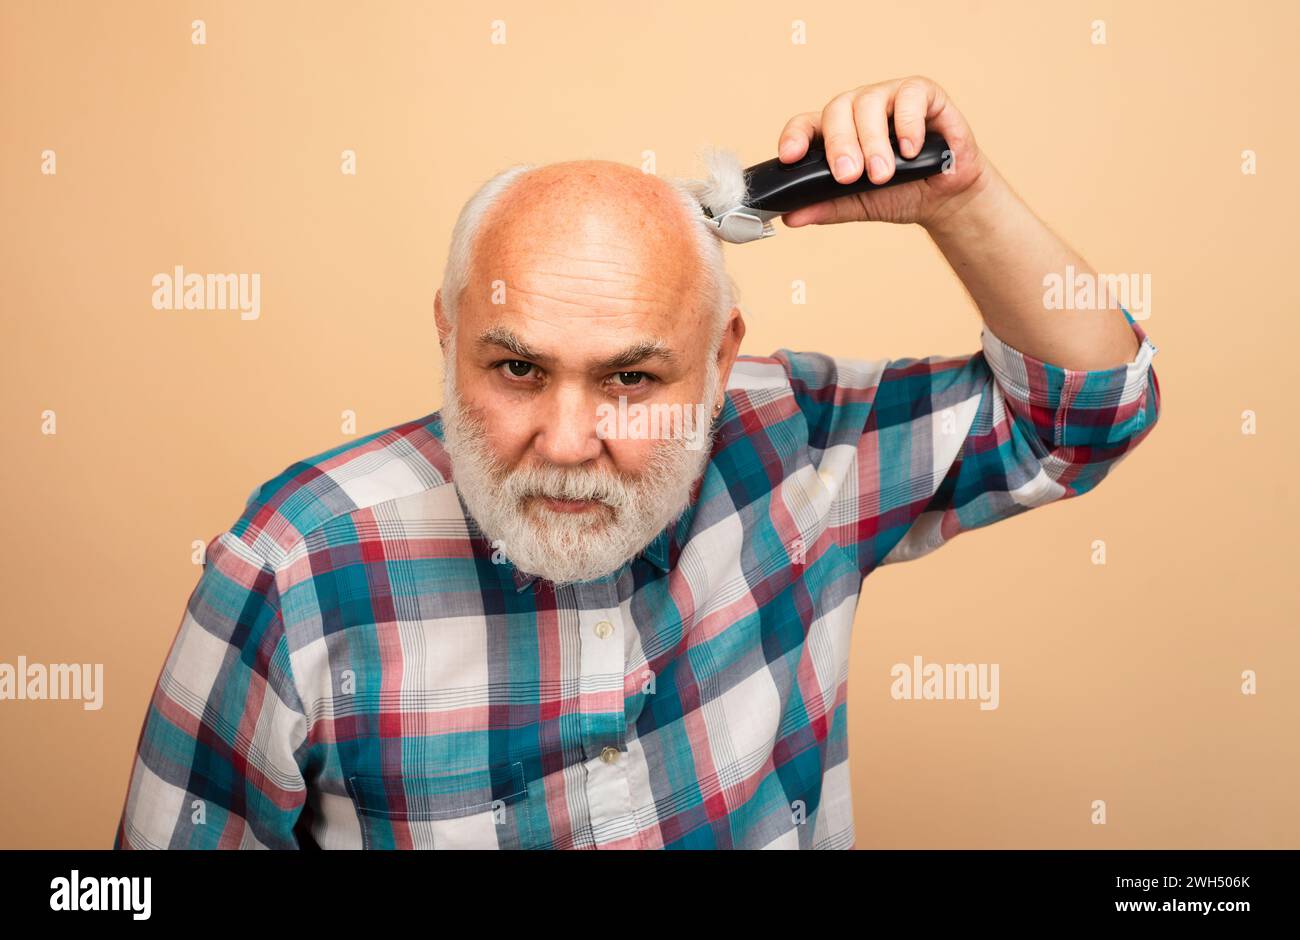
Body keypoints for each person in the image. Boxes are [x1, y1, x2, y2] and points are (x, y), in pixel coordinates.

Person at [114, 76, 1160, 849]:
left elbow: (1089, 414)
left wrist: (957, 203)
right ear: (447, 335)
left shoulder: (793, 442)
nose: (568, 445)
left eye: (632, 380)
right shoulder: (295, 569)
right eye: (516, 368)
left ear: (719, 361)